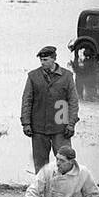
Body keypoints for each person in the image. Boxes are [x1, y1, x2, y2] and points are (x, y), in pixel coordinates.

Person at [21, 45, 80, 173]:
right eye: (41, 60)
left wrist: (71, 124)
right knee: (41, 167)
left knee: (66, 162)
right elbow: (27, 101)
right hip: (38, 128)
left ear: (54, 59)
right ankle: (42, 190)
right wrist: (26, 123)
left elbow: (73, 102)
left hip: (61, 127)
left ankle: (68, 189)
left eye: (46, 60)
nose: (43, 63)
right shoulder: (33, 76)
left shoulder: (67, 76)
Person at [23, 145, 99, 197]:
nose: (58, 163)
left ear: (71, 162)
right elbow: (34, 189)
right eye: (57, 159)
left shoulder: (83, 173)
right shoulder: (48, 170)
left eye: (62, 160)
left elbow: (91, 192)